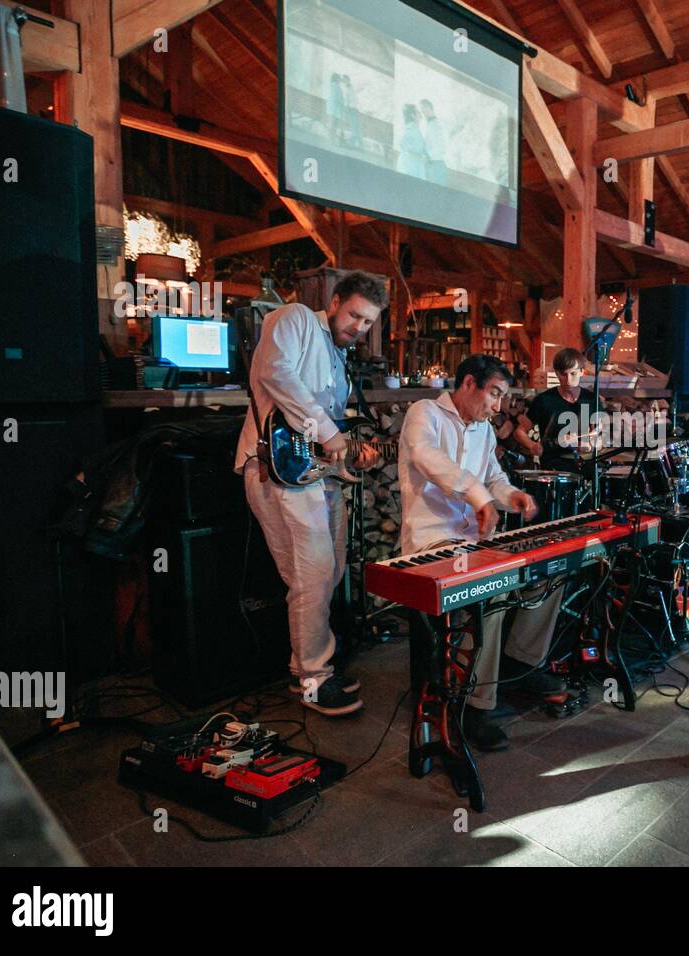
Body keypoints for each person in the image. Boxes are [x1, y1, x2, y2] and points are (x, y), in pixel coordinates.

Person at [398, 354, 571, 752]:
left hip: (473, 543)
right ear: (468, 384)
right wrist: (477, 497)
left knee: (550, 569)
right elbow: (430, 460)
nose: (497, 406)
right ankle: (476, 707)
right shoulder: (424, 414)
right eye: (493, 393)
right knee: (491, 589)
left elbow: (493, 477)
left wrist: (513, 496)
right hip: (432, 543)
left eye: (502, 397)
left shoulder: (484, 432)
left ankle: (518, 664)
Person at [236, 272, 388, 716]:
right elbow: (273, 372)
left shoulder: (340, 360)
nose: (359, 327)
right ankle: (313, 679)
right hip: (276, 470)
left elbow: (329, 433)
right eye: (355, 315)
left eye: (368, 322)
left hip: (314, 475)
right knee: (314, 575)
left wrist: (350, 456)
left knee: (328, 572)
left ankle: (306, 666)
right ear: (335, 301)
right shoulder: (295, 317)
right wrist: (330, 435)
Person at [517, 347, 601, 472]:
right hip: (552, 470)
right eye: (563, 374)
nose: (568, 380)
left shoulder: (592, 400)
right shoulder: (544, 400)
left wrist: (591, 445)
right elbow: (520, 431)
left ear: (582, 372)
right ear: (556, 373)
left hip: (585, 469)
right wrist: (533, 445)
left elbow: (599, 435)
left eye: (573, 373)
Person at [419, 98, 447, 185]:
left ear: (428, 108)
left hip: (436, 165)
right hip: (435, 165)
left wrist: (427, 157)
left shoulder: (434, 125)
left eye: (423, 109)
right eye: (421, 110)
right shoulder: (431, 125)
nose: (422, 113)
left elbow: (440, 148)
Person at [396, 103, 426, 178]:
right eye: (418, 112)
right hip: (409, 165)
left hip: (412, 164)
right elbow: (402, 143)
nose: (420, 114)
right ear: (413, 115)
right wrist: (417, 155)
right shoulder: (411, 128)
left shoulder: (414, 128)